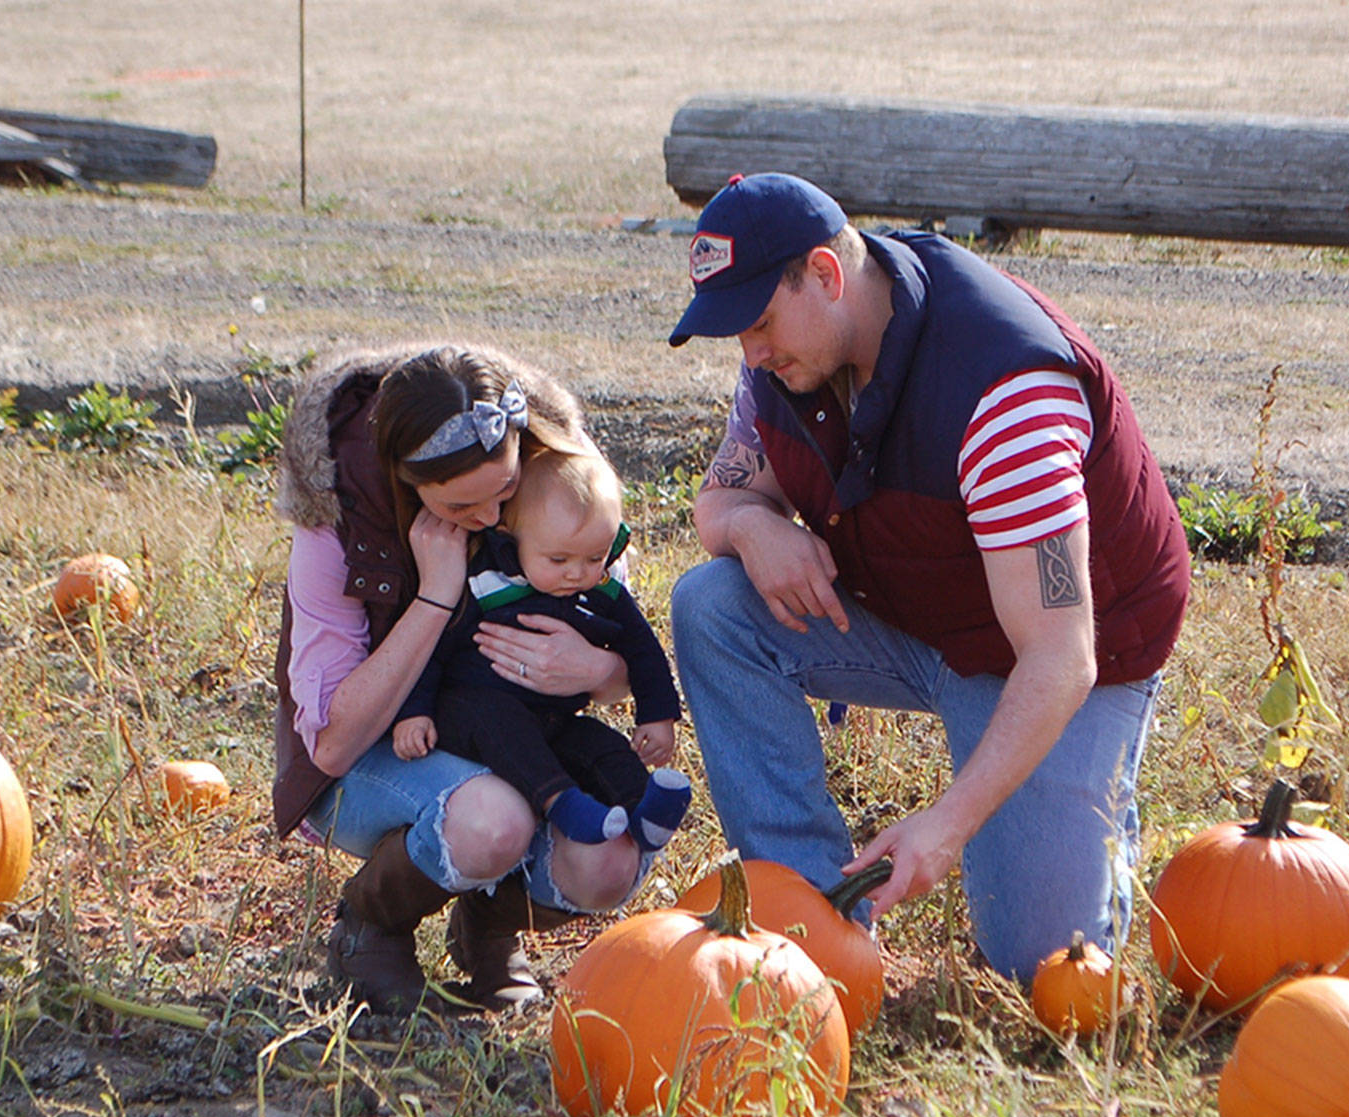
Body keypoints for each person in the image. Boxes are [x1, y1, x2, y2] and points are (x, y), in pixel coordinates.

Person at [665, 172, 1190, 983]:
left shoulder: (1006, 394)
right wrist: (751, 525)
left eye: (760, 321)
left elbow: (1061, 653)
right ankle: (812, 911)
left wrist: (944, 825)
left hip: (1059, 657)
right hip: (923, 613)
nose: (752, 352)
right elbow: (722, 499)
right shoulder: (788, 360)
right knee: (712, 605)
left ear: (827, 275)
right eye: (738, 332)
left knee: (1040, 962)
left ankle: (1091, 803)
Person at [271, 343, 653, 1013]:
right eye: (459, 505)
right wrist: (435, 597)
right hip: (369, 765)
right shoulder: (336, 521)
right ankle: (369, 929)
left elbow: (620, 653)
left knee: (607, 860)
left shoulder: (552, 476)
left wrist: (600, 668)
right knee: (492, 820)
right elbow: (331, 743)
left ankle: (488, 925)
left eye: (503, 492)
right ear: (404, 477)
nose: (487, 519)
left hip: (512, 738)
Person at [392, 446, 693, 851]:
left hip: (553, 719)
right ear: (512, 541)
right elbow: (432, 651)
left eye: (594, 557)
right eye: (558, 559)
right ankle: (560, 802)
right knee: (496, 718)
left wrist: (658, 715)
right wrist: (414, 712)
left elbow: (643, 648)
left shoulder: (600, 589)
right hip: (472, 715)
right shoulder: (486, 585)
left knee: (599, 744)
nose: (577, 573)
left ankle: (643, 812)